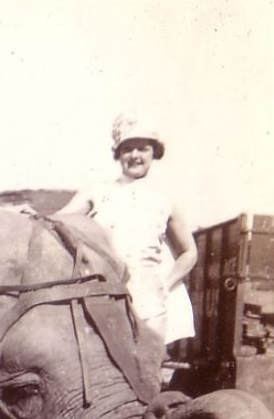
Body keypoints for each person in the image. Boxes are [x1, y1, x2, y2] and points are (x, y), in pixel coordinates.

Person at [55, 114, 197, 347]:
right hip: (103, 293)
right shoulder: (97, 192)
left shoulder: (165, 199)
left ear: (154, 153)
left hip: (148, 300)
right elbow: (57, 220)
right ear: (118, 154)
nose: (135, 155)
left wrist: (165, 283)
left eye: (143, 149)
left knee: (144, 361)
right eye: (127, 149)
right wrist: (24, 213)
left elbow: (189, 252)